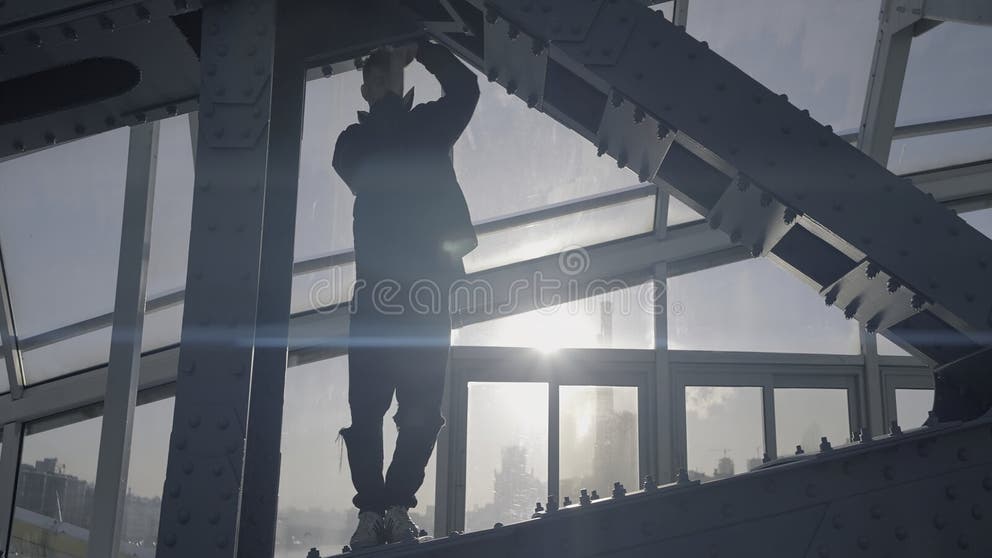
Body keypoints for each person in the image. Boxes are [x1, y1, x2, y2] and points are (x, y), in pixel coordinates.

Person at [332, 38, 479, 549]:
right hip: (387, 298)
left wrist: (426, 50)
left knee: (414, 412)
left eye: (388, 71)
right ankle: (377, 510)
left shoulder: (418, 128)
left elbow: (466, 89)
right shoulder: (356, 141)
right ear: (368, 87)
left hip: (412, 297)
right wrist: (398, 89)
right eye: (377, 73)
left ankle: (391, 508)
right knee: (372, 412)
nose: (384, 78)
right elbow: (379, 158)